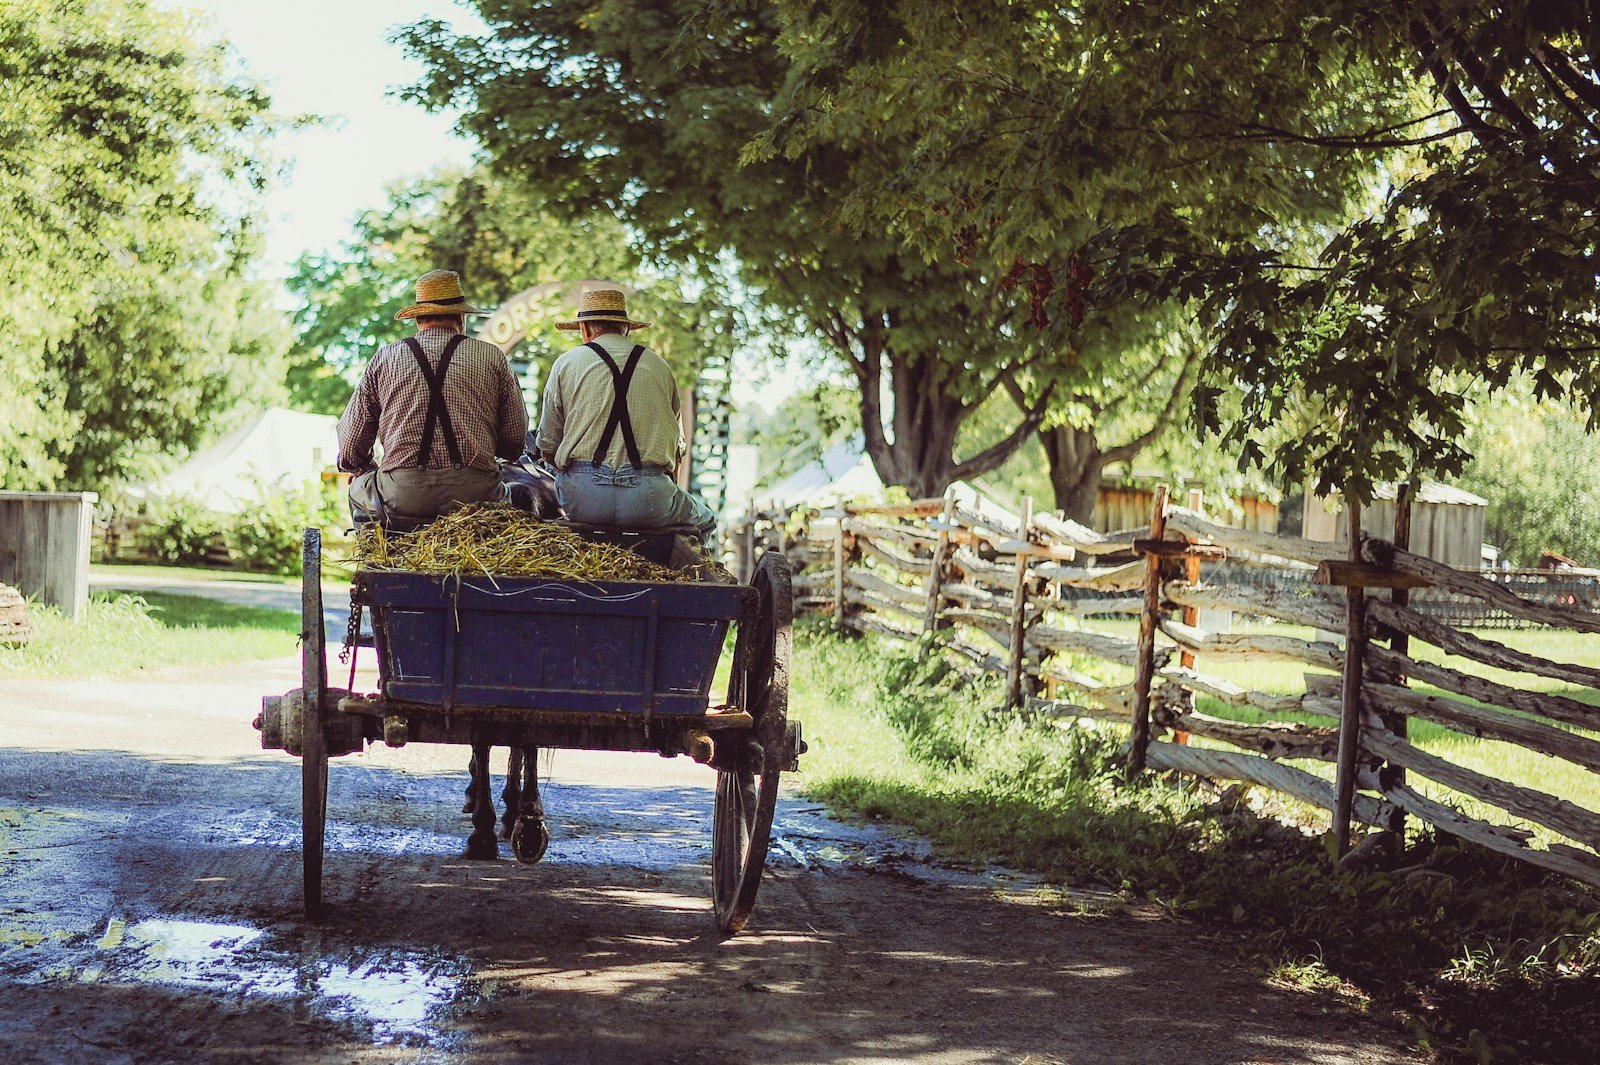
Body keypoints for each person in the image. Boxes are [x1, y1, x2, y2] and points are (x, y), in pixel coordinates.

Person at [338, 270, 533, 526]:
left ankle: (376, 556)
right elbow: (514, 442)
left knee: (357, 488)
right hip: (477, 498)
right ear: (461, 316)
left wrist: (364, 468)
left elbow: (351, 446)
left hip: (403, 495)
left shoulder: (385, 358)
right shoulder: (492, 357)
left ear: (418, 319)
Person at [537, 288, 716, 541]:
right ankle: (689, 575)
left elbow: (548, 446)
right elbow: (677, 449)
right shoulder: (659, 366)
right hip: (649, 499)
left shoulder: (565, 364)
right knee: (706, 520)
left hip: (582, 499)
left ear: (585, 329)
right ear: (627, 328)